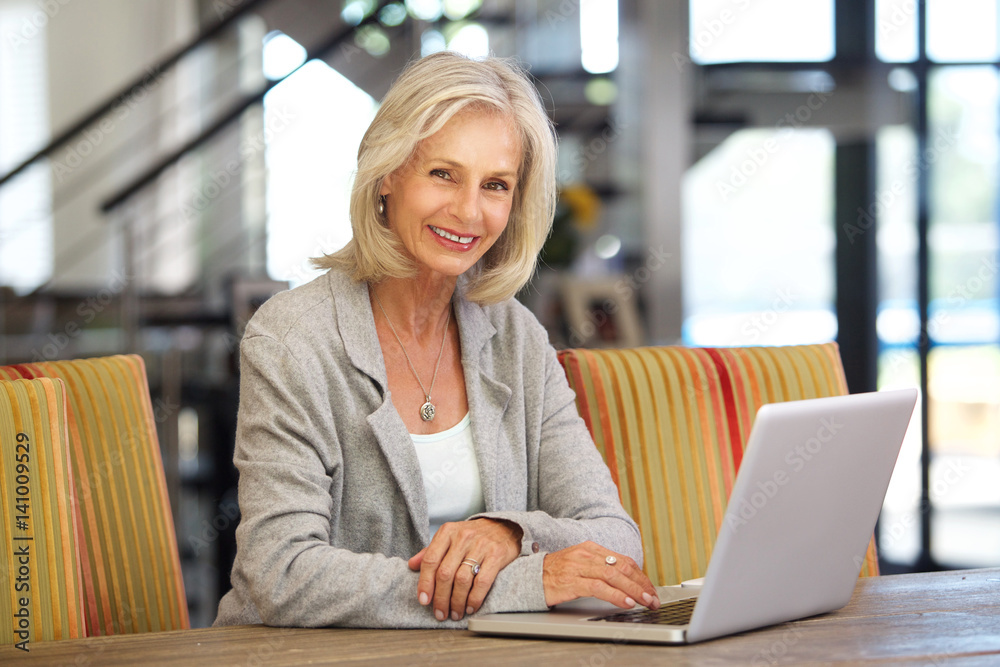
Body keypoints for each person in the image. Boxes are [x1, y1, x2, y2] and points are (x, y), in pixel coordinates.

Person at [214, 51, 659, 629]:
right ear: (388, 175)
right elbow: (279, 572)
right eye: (443, 173)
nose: (468, 211)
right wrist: (522, 583)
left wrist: (507, 533)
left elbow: (616, 540)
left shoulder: (516, 337)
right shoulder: (291, 337)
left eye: (495, 185)